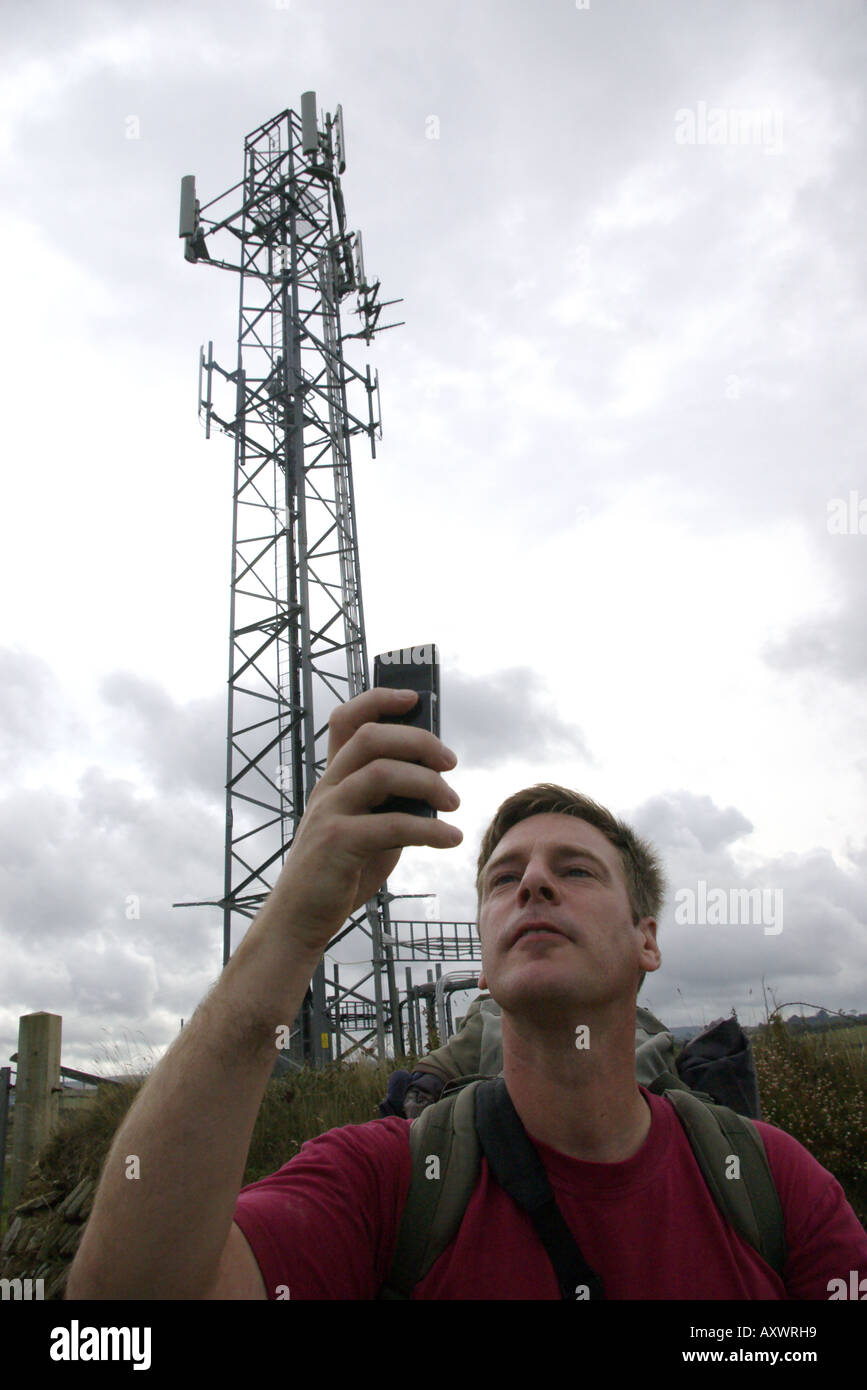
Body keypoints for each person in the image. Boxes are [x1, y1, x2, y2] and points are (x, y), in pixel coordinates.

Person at [65, 687, 867, 1300]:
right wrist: (289, 929)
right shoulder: (386, 1183)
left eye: (576, 870)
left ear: (645, 939)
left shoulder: (774, 1186)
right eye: (504, 878)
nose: (536, 885)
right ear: (483, 964)